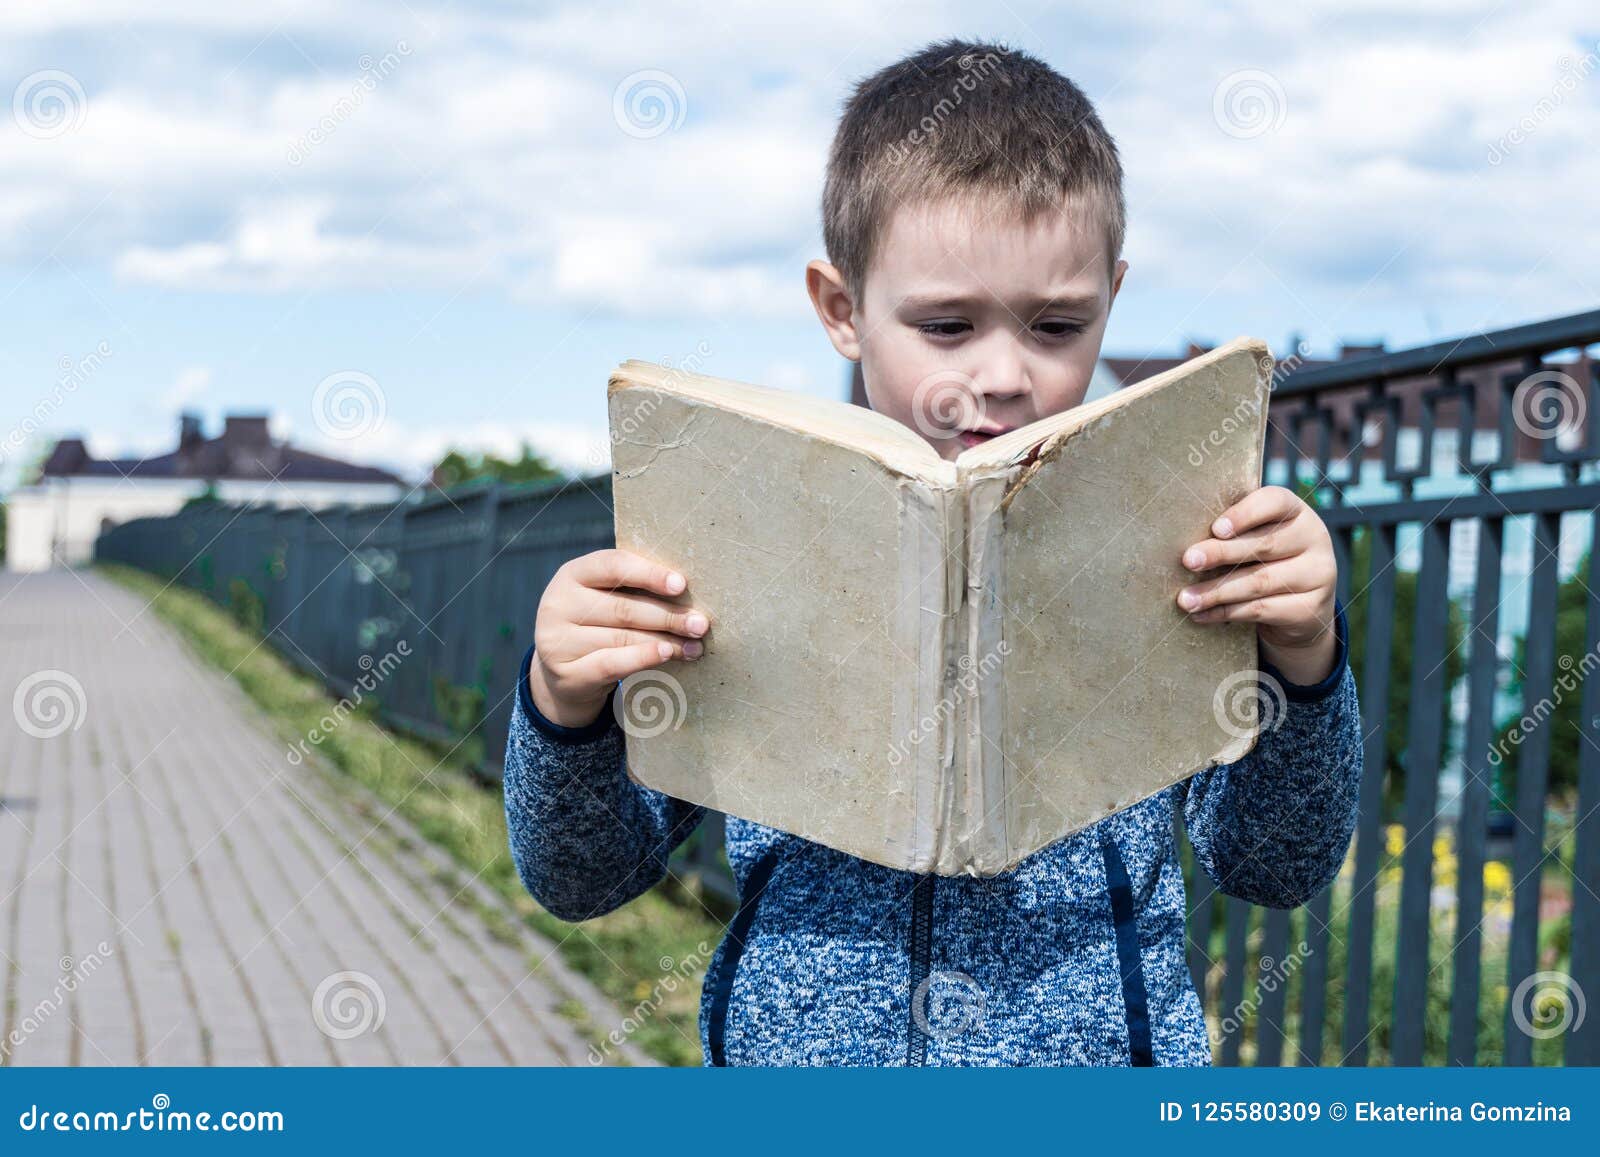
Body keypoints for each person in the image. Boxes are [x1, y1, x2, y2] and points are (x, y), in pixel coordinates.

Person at [504, 38, 1360, 1066]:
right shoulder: (743, 527)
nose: (1001, 375)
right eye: (946, 324)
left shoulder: (1173, 523)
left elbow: (1273, 862)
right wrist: (566, 702)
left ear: (1111, 298)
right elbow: (582, 876)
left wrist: (1303, 659)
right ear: (841, 309)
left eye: (1056, 323)